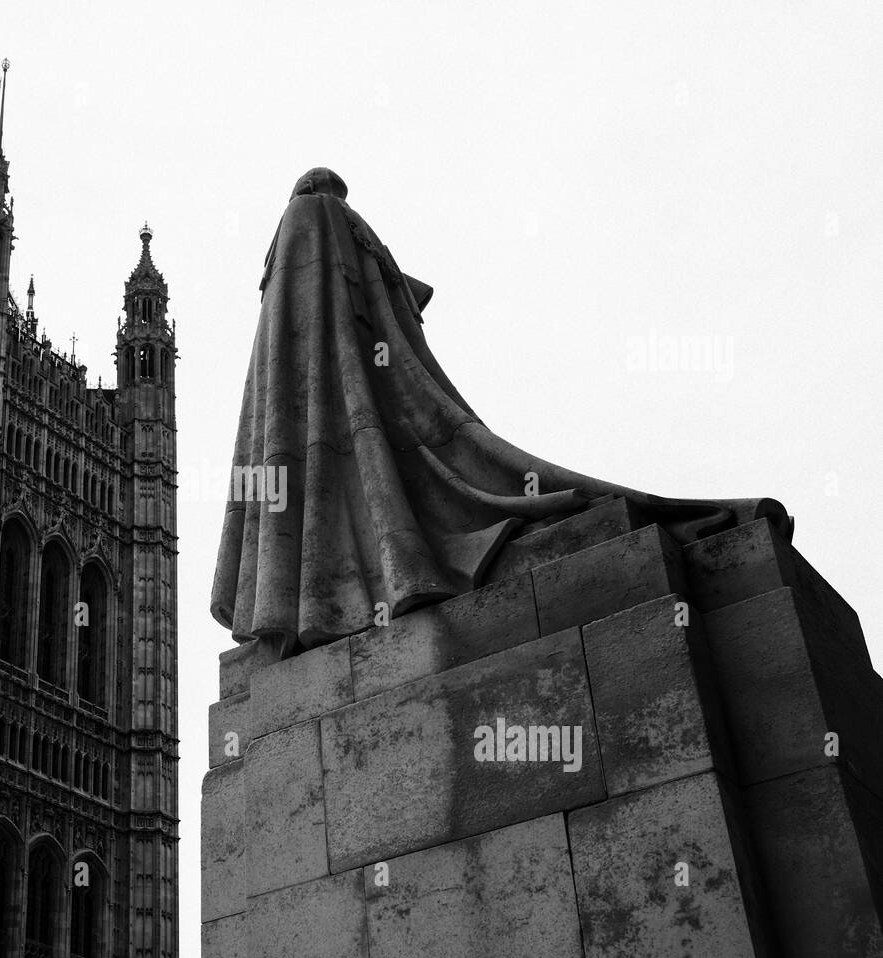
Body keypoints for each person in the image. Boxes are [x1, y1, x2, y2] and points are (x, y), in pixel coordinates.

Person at [210, 167, 790, 654]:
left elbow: (313, 341)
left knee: (475, 492)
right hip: (382, 409)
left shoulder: (305, 226)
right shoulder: (327, 224)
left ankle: (369, 578)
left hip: (376, 418)